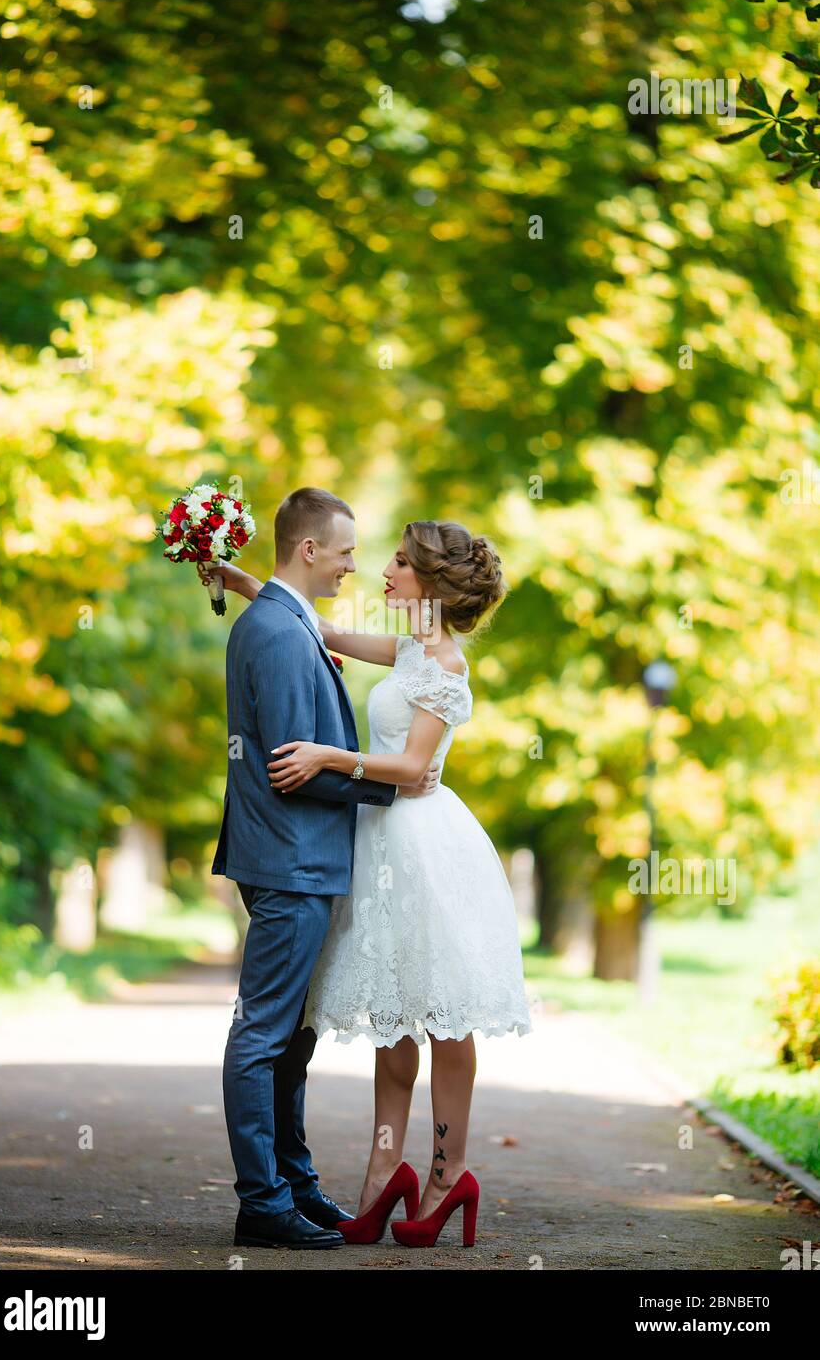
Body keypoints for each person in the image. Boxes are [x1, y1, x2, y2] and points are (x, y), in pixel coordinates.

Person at [205, 496, 531, 1250]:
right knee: (392, 1014)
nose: (381, 569)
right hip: (377, 840)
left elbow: (415, 766)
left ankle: (448, 1174)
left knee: (444, 1014)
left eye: (400, 563)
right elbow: (311, 625)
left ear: (432, 584)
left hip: (424, 844)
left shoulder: (445, 662)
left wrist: (327, 756)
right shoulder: (408, 649)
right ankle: (384, 1177)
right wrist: (245, 579)